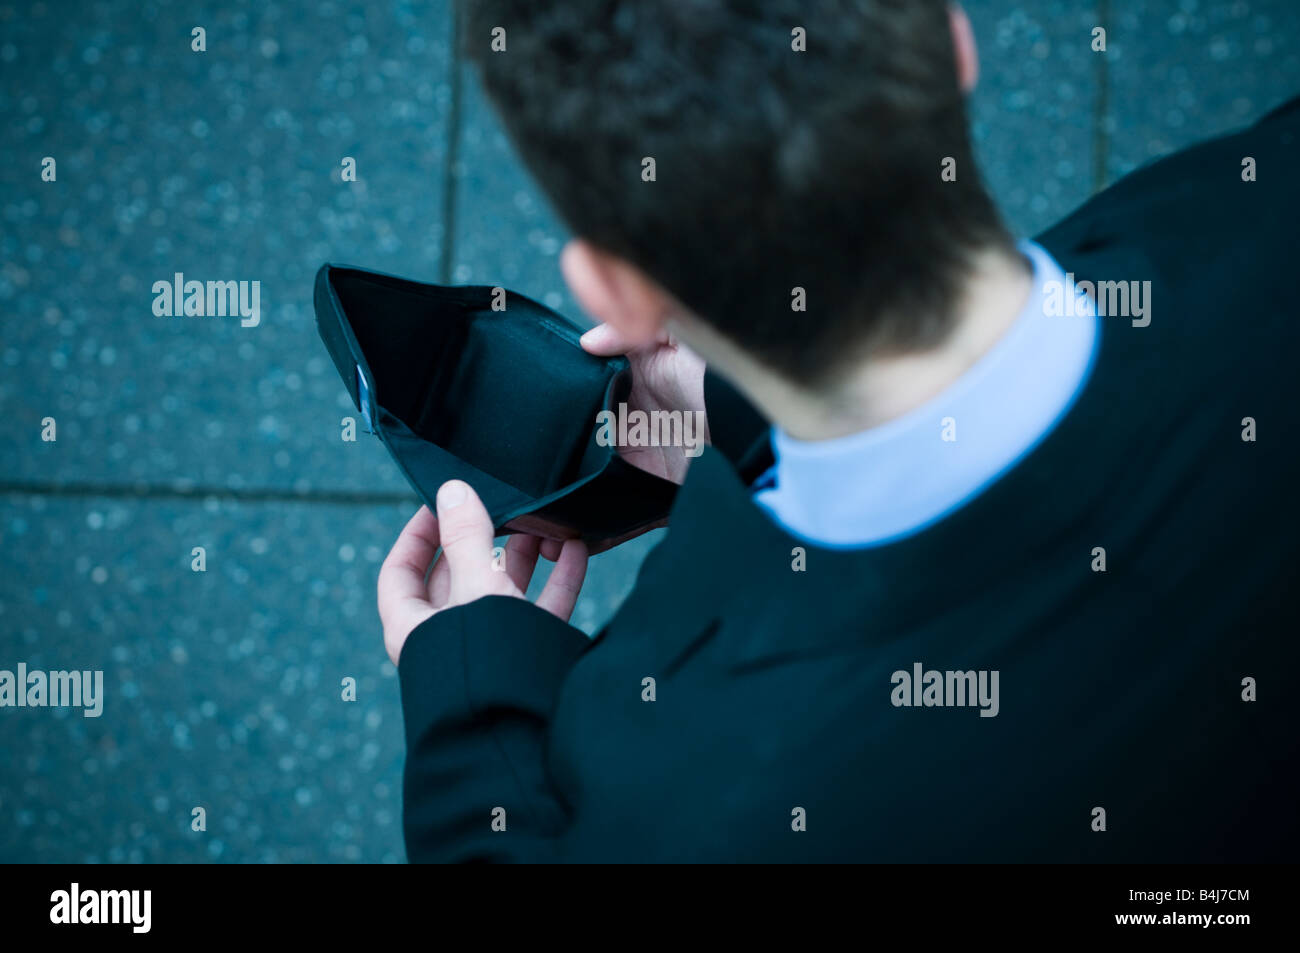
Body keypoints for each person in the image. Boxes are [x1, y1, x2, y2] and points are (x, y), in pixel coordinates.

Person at [377, 1, 1299, 861]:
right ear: (954, 42)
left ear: (616, 292)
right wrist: (741, 409)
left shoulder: (693, 796)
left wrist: (474, 707)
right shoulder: (1261, 201)